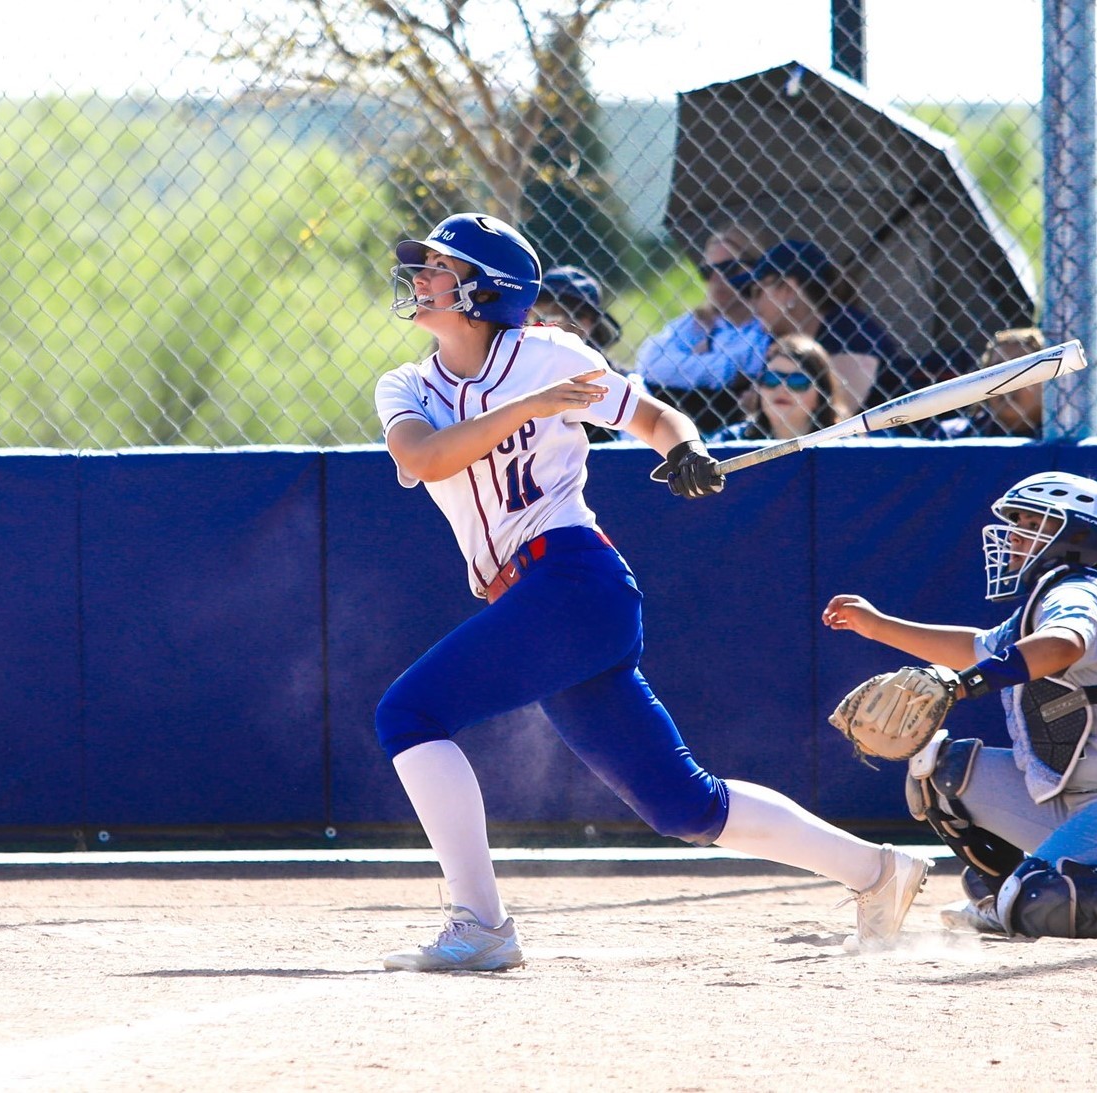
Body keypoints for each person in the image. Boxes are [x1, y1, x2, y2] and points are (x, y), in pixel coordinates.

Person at [374, 212, 928, 971]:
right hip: (531, 602)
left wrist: (685, 447)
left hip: (572, 578)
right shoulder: (407, 384)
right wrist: (531, 409)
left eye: (441, 269)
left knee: (408, 712)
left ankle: (481, 922)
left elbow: (649, 414)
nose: (423, 279)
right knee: (682, 805)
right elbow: (428, 456)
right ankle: (877, 871)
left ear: (484, 290)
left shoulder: (548, 354)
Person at [820, 471, 1097, 940]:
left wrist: (964, 687)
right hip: (1083, 802)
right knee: (943, 773)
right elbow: (979, 647)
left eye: (1031, 523)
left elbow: (1062, 646)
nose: (1015, 536)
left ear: (1078, 534)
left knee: (1038, 898)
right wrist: (877, 625)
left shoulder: (1081, 590)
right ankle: (1012, 897)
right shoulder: (1051, 596)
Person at [737, 239, 902, 418]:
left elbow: (839, 416)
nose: (752, 304)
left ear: (788, 289)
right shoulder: (779, 340)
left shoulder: (849, 331)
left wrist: (759, 405)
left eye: (756, 292)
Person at [632, 224, 771, 434]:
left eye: (729, 269)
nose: (717, 279)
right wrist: (729, 370)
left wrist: (695, 358)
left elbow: (756, 357)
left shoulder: (767, 323)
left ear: (754, 269)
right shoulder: (697, 321)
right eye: (708, 271)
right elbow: (649, 362)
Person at [931, 329, 1097, 439]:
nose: (1005, 382)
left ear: (1050, 381)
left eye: (1020, 372)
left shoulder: (1086, 427)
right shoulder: (954, 436)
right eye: (995, 370)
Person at [530, 265, 634, 442]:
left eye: (548, 318)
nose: (539, 327)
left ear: (587, 323)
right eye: (534, 318)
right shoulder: (516, 371)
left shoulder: (619, 380)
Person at [704, 334, 846, 442]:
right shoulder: (732, 441)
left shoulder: (844, 447)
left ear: (822, 394)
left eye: (797, 381)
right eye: (772, 379)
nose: (782, 388)